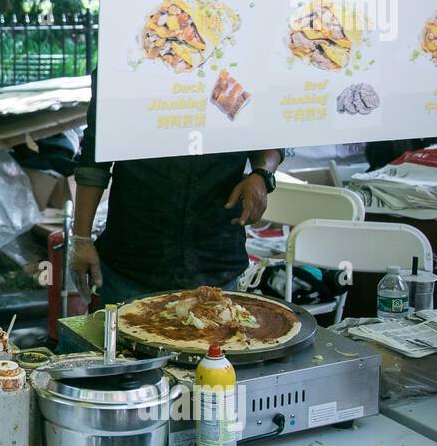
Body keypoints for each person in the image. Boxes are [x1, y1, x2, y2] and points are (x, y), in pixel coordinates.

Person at [70, 68, 283, 304]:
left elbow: (267, 129)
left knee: (217, 339)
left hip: (217, 258)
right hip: (134, 262)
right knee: (124, 342)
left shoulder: (242, 61)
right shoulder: (123, 61)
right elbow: (94, 156)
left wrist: (262, 174)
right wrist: (81, 239)